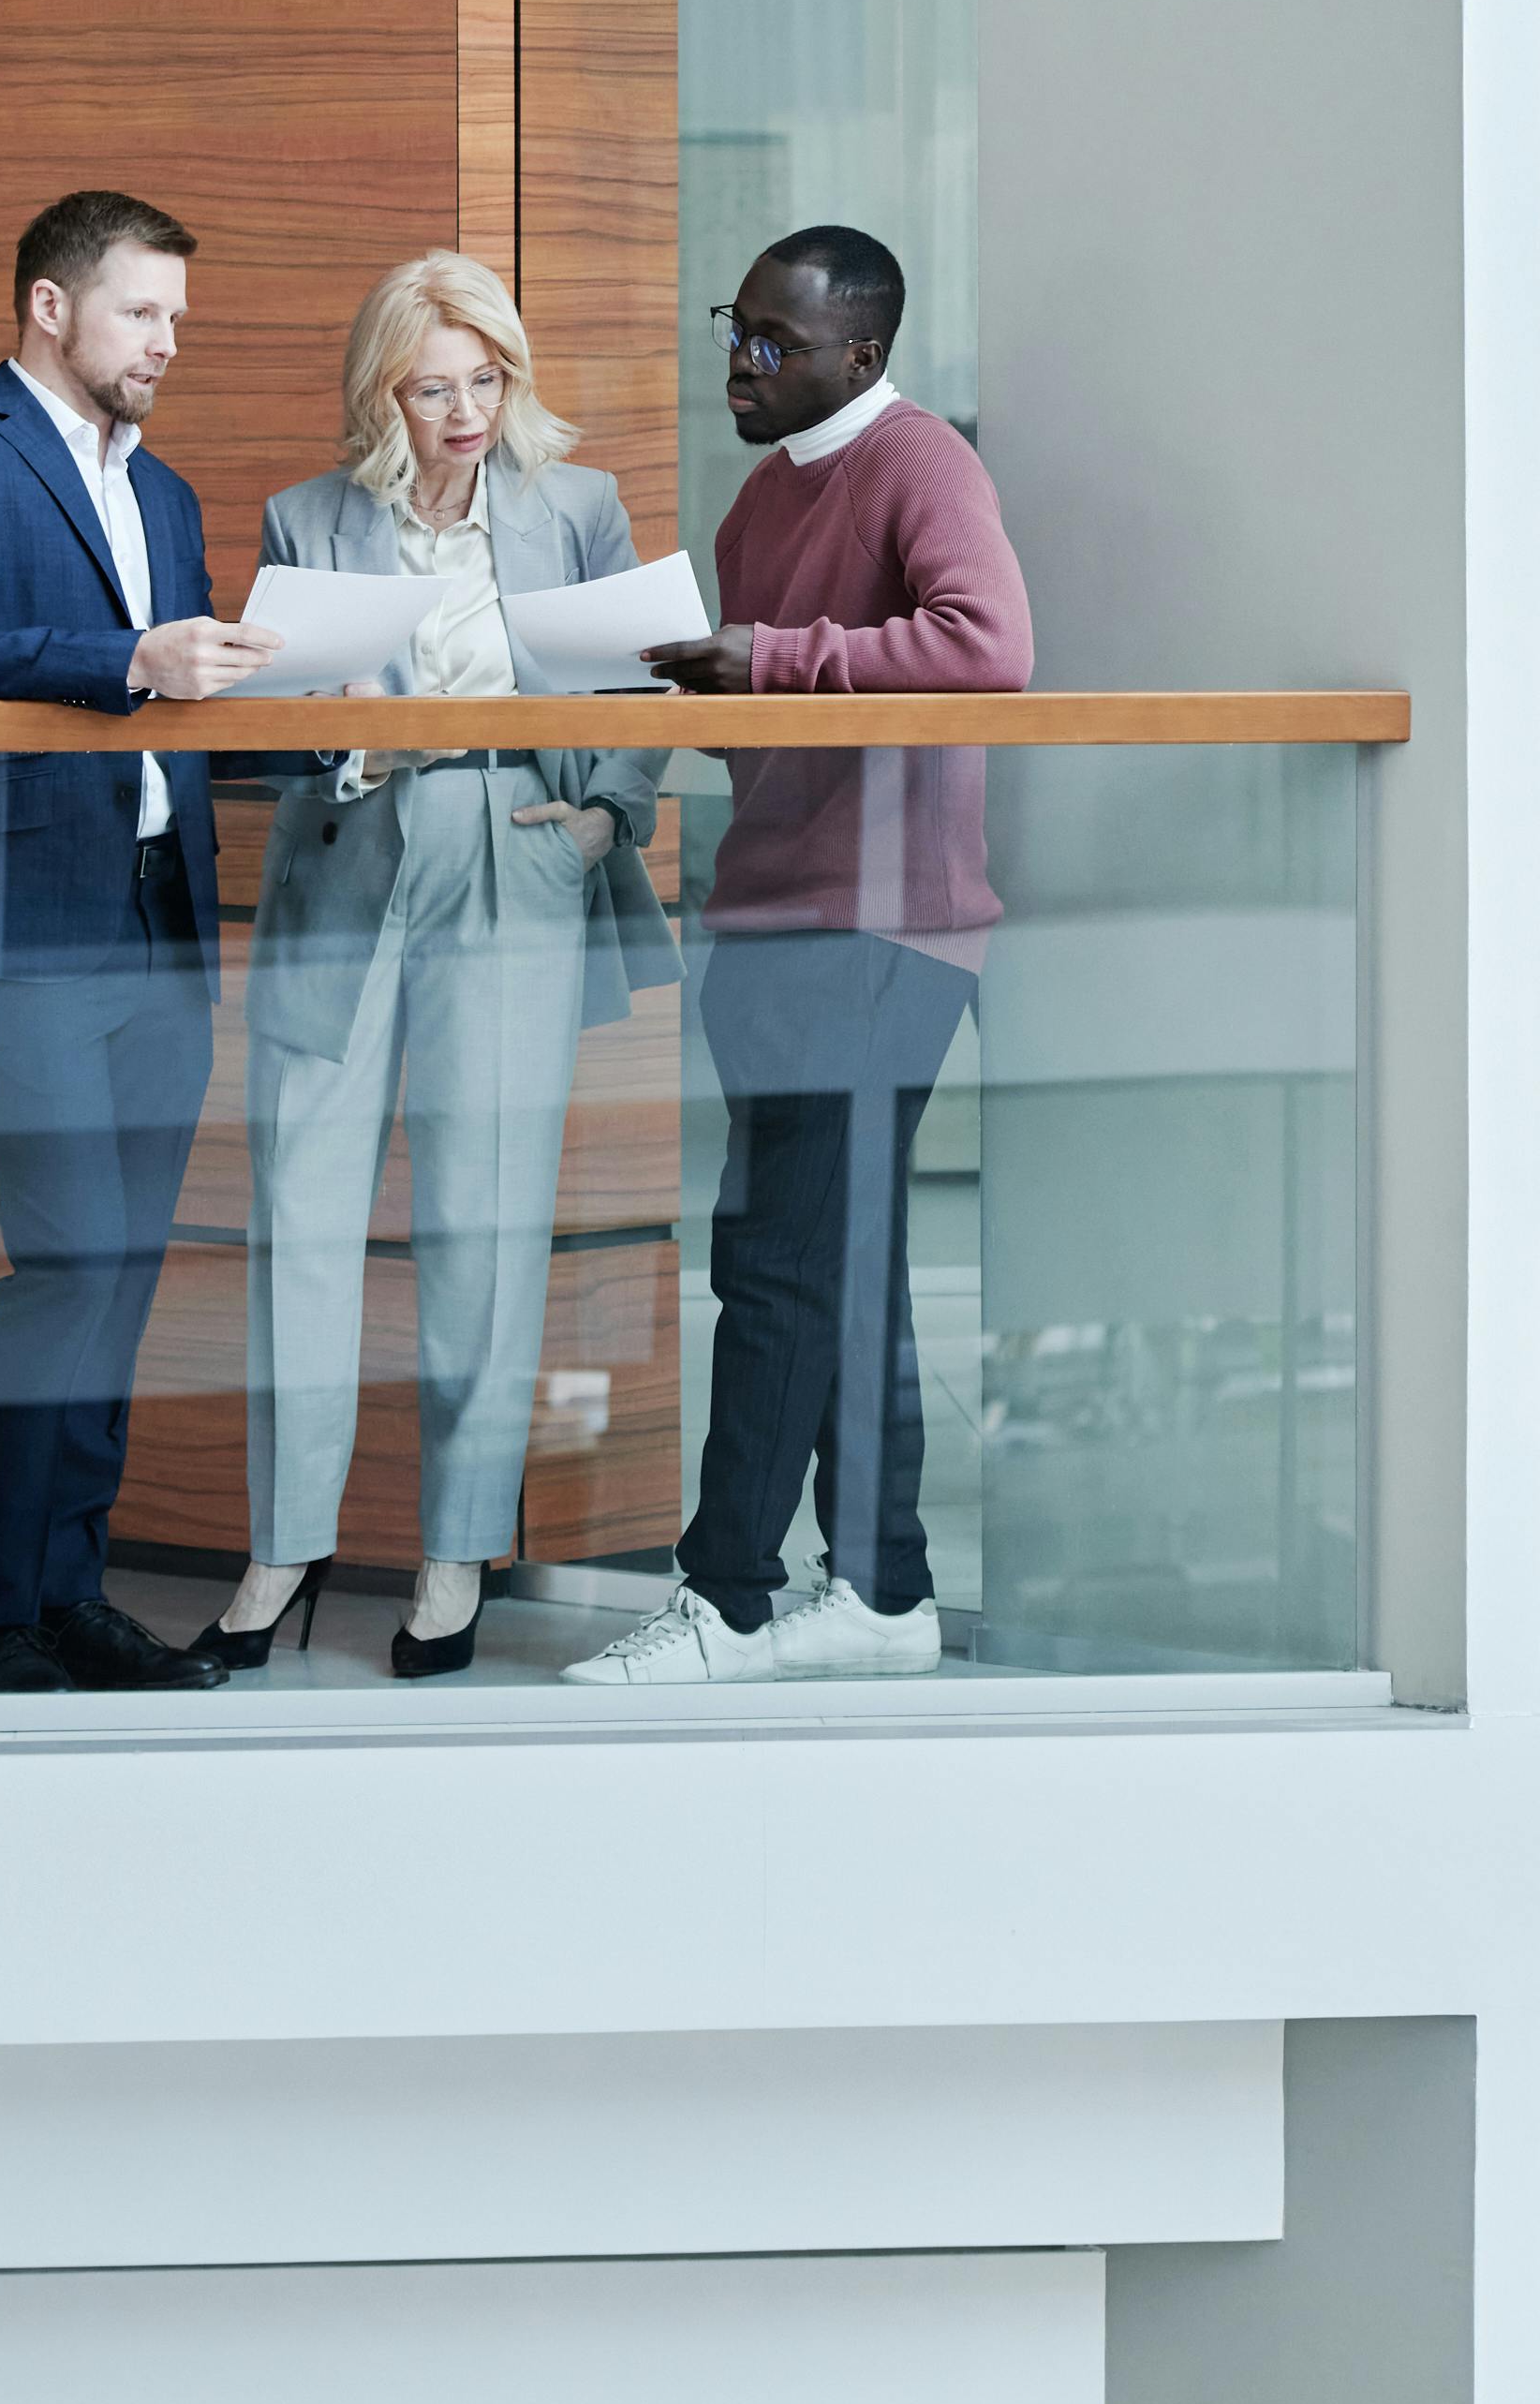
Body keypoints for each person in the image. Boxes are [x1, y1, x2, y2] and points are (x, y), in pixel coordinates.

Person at [566, 229, 1031, 1687]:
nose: (739, 365)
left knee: (768, 1263)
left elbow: (986, 649)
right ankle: (885, 1591)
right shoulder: (762, 498)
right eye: (734, 330)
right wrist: (675, 681)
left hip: (883, 925)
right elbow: (781, 702)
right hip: (773, 915)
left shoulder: (923, 464)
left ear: (861, 355)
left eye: (774, 342)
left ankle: (731, 1603)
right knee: (844, 1265)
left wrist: (760, 658)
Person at [200, 255, 676, 1680]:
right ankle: (283, 1547)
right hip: (350, 849)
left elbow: (647, 677)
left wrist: (605, 816)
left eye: (486, 379)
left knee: (483, 1219)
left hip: (513, 842)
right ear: (381, 392)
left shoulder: (577, 507)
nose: (465, 410)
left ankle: (456, 1552)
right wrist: (335, 731)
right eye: (433, 385)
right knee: (301, 1209)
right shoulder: (310, 515)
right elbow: (263, 714)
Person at [0, 188, 273, 1692]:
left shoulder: (161, 493)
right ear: (49, 307)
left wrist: (331, 731)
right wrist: (125, 658)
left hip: (162, 925)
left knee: (123, 1273)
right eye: (144, 313)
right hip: (28, 923)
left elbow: (186, 699)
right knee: (65, 1265)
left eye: (178, 315)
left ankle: (70, 1595)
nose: (173, 340)